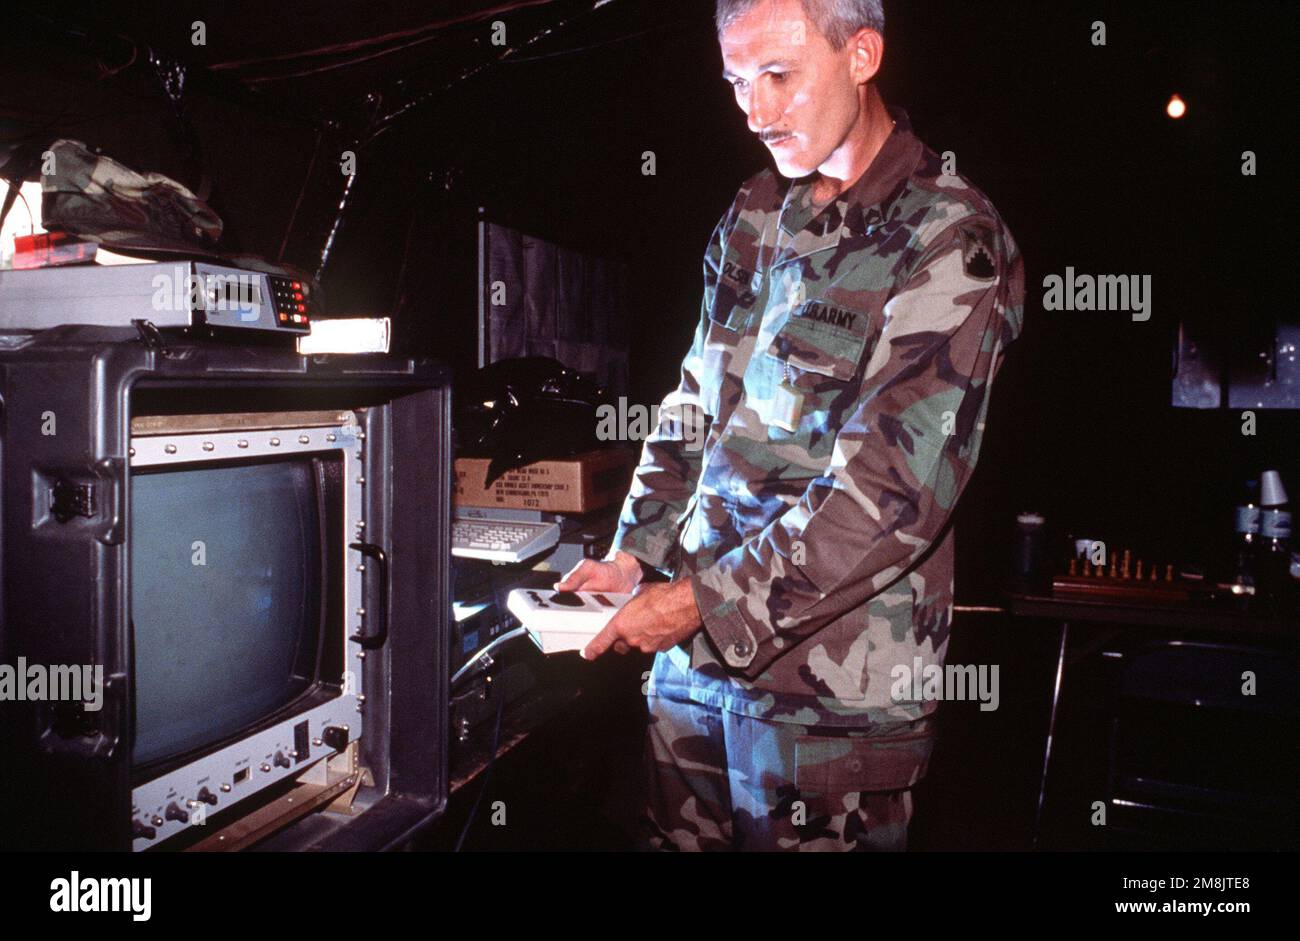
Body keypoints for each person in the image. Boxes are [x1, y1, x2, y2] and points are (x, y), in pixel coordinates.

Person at [558, 0, 1025, 851]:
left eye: (779, 75)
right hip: (693, 674)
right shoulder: (754, 213)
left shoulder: (952, 238)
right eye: (738, 82)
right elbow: (695, 399)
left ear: (862, 54)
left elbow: (889, 496)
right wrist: (634, 555)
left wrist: (696, 600)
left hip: (829, 709)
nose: (756, 111)